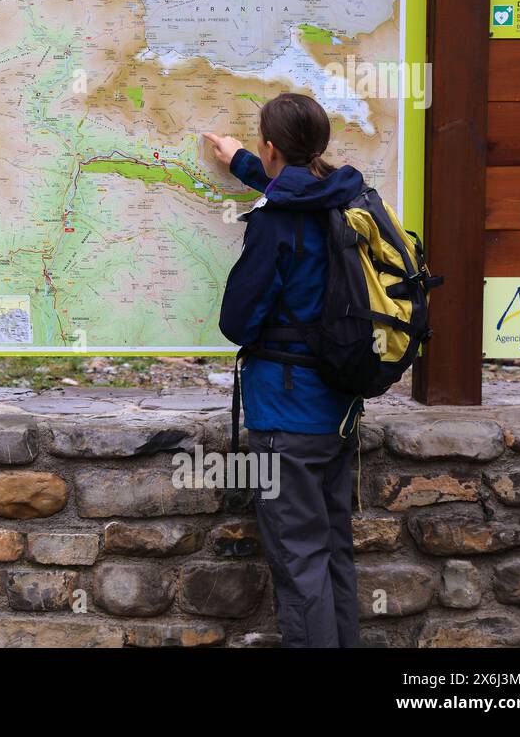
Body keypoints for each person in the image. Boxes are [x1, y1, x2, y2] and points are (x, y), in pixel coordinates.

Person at [204, 92, 364, 648]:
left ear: (272, 146)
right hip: (338, 409)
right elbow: (295, 186)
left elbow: (238, 321)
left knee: (299, 563)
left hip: (283, 417)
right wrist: (242, 163)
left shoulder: (274, 222)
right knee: (333, 552)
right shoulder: (346, 198)